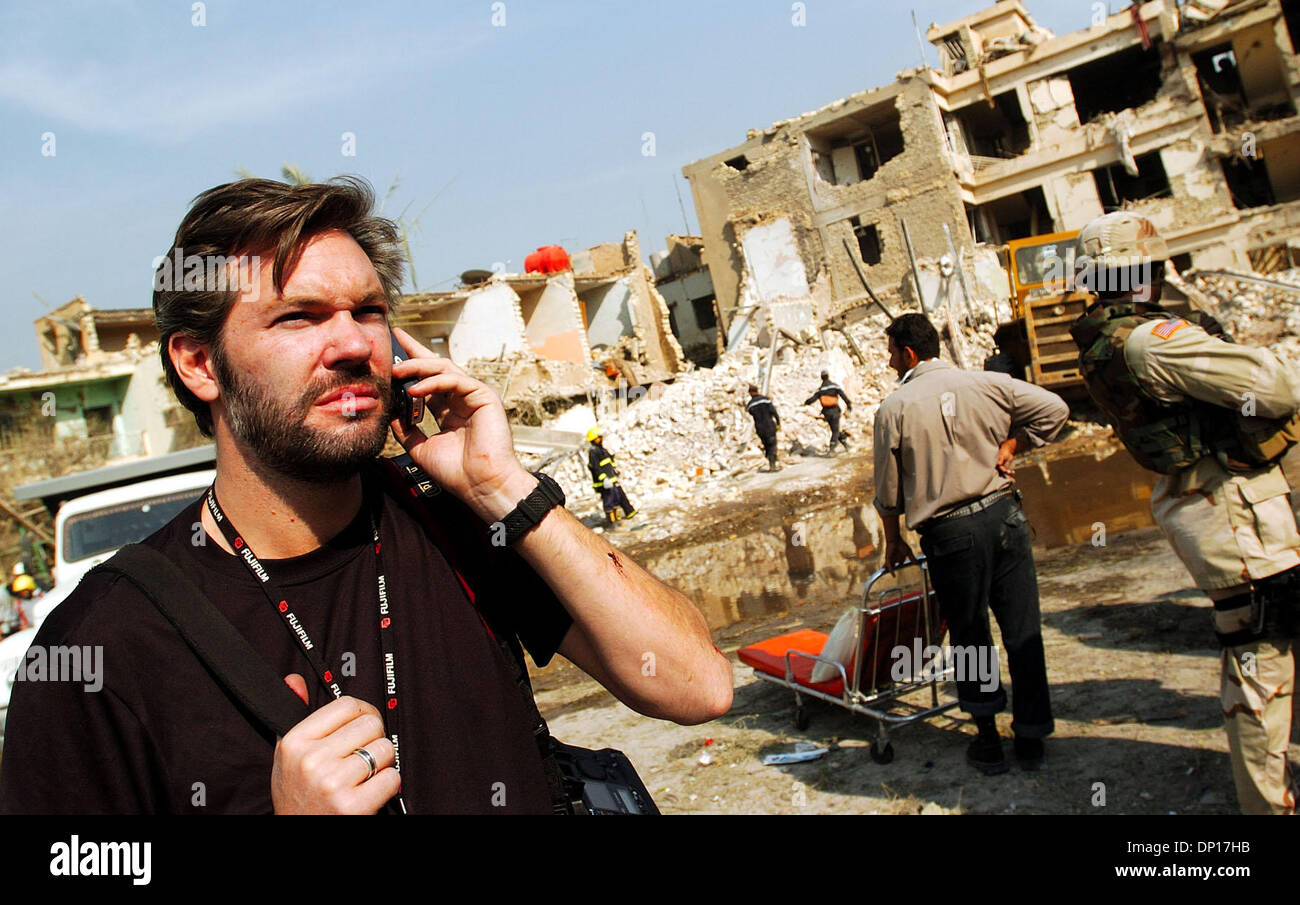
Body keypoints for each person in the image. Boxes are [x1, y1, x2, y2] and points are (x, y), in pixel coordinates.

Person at [0, 177, 731, 815]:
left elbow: (697, 687)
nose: (353, 344)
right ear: (198, 363)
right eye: (300, 316)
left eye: (369, 310)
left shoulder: (455, 517)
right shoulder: (101, 644)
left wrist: (501, 485)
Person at [1068, 211, 1300, 815]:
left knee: (1264, 655)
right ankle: (1269, 809)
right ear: (1145, 271)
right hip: (1235, 515)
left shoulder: (1114, 339)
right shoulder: (1154, 341)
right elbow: (1276, 386)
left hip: (1211, 507)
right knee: (1260, 668)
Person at [874, 313, 1068, 773]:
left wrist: (893, 541)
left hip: (950, 534)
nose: (888, 361)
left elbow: (887, 492)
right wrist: (1014, 444)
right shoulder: (989, 383)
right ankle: (1032, 737)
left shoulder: (894, 408)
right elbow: (1055, 410)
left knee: (970, 635)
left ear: (908, 354)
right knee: (1023, 628)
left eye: (890, 353)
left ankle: (987, 739)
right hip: (1005, 517)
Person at [586, 426, 637, 524]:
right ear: (593, 439)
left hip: (612, 479)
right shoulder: (593, 452)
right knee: (609, 501)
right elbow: (596, 468)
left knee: (619, 496)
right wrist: (604, 479)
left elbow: (610, 463)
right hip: (604, 483)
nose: (601, 438)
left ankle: (629, 513)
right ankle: (611, 523)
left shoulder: (602, 450)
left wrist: (615, 471)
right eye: (598, 437)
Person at [804, 370, 852, 454]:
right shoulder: (834, 386)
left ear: (821, 378)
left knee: (834, 429)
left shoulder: (820, 389)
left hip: (826, 412)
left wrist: (805, 403)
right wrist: (849, 406)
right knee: (835, 430)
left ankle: (846, 444)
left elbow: (812, 399)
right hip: (835, 411)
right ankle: (832, 449)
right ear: (828, 376)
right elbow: (844, 396)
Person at [745, 384, 781, 471]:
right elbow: (773, 411)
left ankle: (772, 463)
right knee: (772, 444)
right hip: (770, 425)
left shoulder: (750, 404)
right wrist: (778, 423)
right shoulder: (766, 400)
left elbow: (750, 413)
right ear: (757, 390)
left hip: (760, 428)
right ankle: (773, 465)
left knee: (766, 445)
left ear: (750, 393)